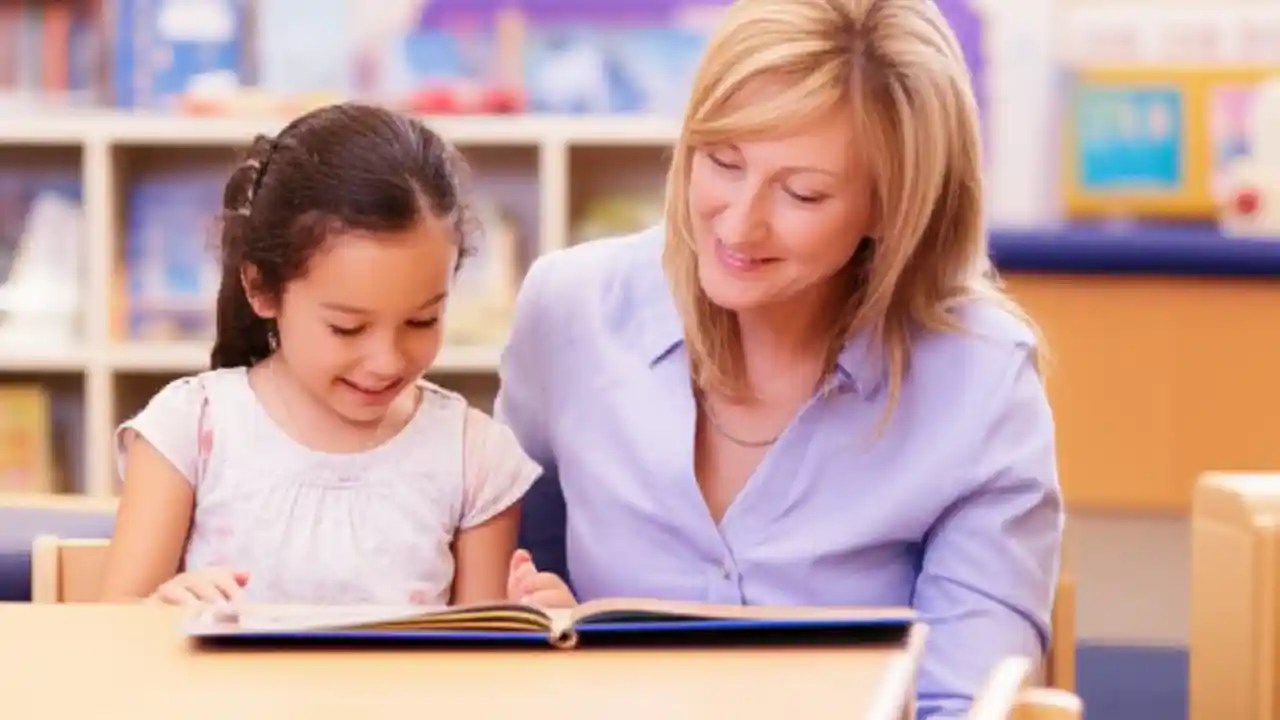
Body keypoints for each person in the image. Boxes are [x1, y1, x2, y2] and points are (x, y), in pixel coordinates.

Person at [498, 0, 1063, 716]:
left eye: (803, 192)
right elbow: (509, 619)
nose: (738, 224)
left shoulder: (979, 380)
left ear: (894, 205)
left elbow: (968, 701)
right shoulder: (571, 310)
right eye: (721, 161)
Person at [100, 103, 540, 607]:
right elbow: (113, 642)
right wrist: (158, 612)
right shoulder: (189, 432)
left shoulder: (474, 459)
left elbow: (478, 660)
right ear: (261, 288)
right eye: (346, 327)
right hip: (221, 690)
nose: (386, 360)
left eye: (422, 320)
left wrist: (535, 621)